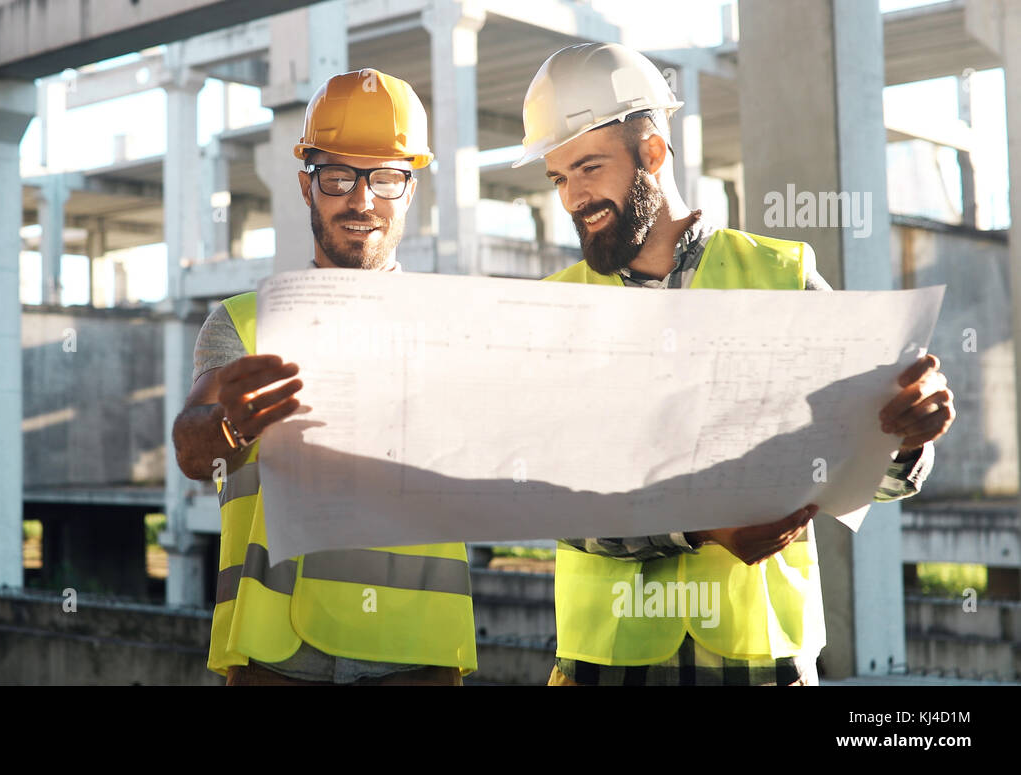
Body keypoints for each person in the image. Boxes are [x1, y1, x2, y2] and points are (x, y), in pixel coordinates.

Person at [511, 43, 956, 685]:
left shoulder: (781, 278)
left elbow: (878, 477)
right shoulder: (550, 312)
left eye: (588, 168)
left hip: (764, 662)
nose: (574, 197)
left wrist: (906, 434)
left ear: (652, 152)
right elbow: (539, 495)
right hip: (606, 664)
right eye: (558, 178)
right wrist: (698, 528)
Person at [171, 69, 477, 686]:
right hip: (276, 656)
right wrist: (225, 426)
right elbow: (193, 452)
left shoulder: (458, 328)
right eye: (340, 177)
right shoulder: (243, 322)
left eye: (387, 178)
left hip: (415, 654)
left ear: (410, 191)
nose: (362, 201)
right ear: (307, 186)